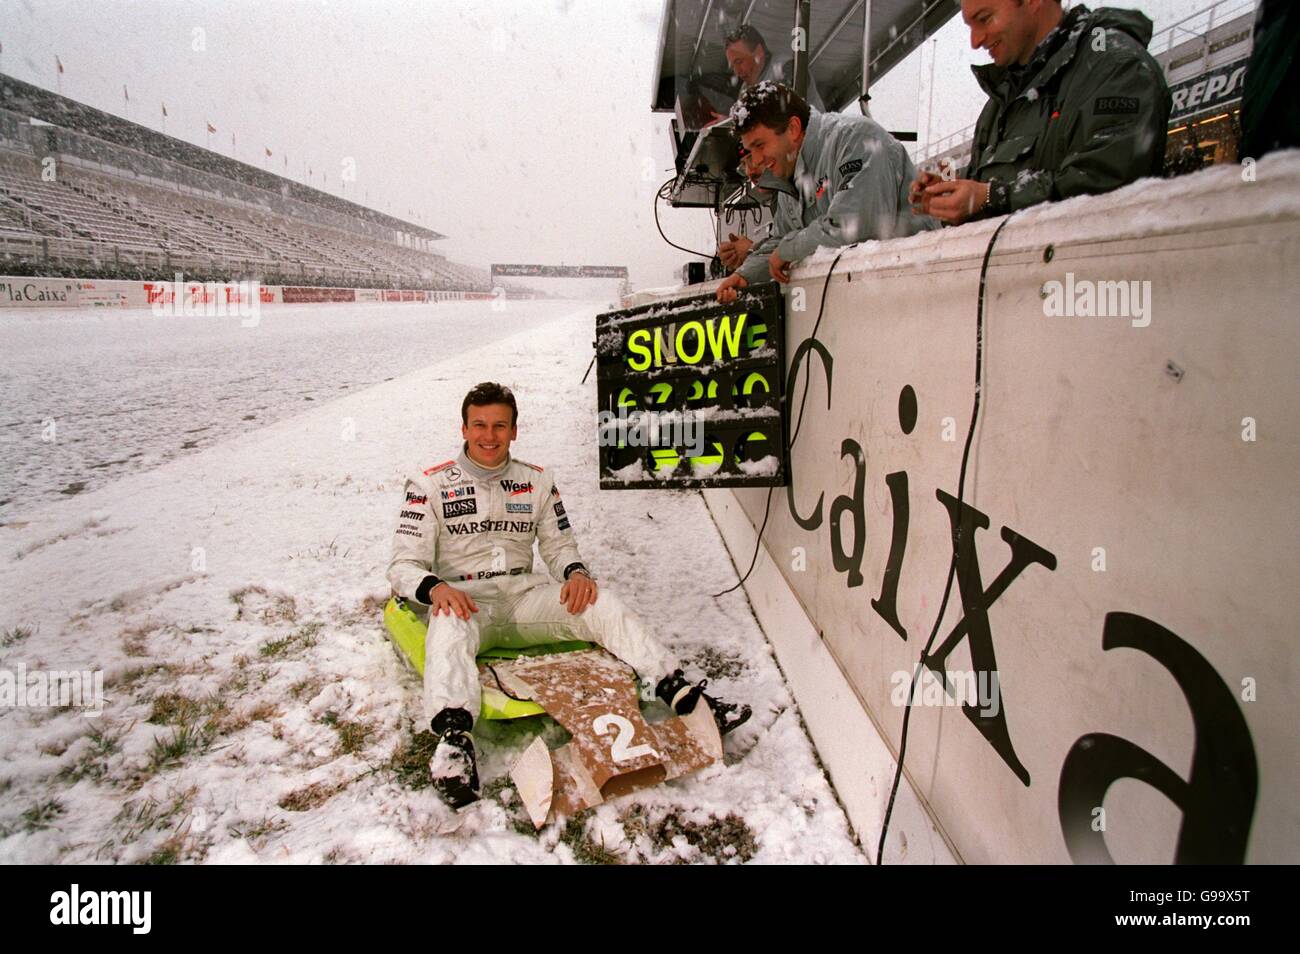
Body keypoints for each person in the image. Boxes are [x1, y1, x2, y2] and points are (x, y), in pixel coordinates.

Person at [387, 382, 751, 808]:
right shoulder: (428, 485)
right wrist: (437, 588)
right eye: (480, 425)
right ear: (464, 428)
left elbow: (559, 547)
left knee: (600, 601)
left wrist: (576, 572)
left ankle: (681, 692)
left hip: (522, 600)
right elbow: (402, 566)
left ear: (515, 430)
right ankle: (453, 743)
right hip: (466, 604)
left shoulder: (537, 482)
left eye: (500, 426)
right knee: (448, 623)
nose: (490, 436)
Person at [910, 0, 1171, 226]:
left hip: (1077, 282)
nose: (975, 41)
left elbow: (1108, 188)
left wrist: (990, 197)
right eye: (970, 26)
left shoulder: (1115, 66)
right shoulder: (1003, 99)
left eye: (984, 19)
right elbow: (1000, 184)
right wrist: (951, 188)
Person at [715, 82, 936, 304]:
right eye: (751, 151)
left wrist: (788, 249)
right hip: (866, 299)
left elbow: (856, 226)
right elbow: (780, 239)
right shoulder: (787, 177)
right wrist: (744, 276)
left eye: (760, 145)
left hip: (920, 291)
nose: (756, 160)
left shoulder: (855, 138)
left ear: (792, 128)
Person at [724, 24, 825, 112]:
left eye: (739, 62)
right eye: (733, 66)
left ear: (758, 52)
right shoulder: (745, 89)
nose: (737, 71)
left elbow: (784, 114)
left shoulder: (788, 69)